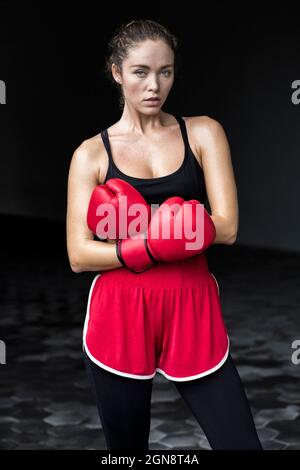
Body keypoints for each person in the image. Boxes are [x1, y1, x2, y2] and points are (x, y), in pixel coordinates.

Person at [66, 19, 263, 451]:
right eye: (140, 72)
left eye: (166, 71)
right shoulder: (91, 154)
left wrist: (133, 234)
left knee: (241, 444)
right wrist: (159, 241)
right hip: (119, 313)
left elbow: (227, 227)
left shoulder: (204, 132)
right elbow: (79, 254)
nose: (154, 85)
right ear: (117, 72)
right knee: (128, 454)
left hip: (192, 306)